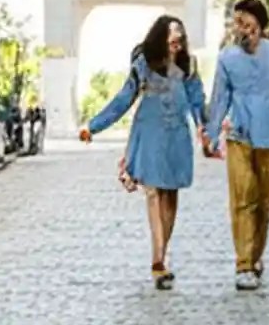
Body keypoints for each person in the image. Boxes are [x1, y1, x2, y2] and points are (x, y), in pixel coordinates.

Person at [79, 16, 206, 290]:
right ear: (160, 38)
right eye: (172, 38)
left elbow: (198, 103)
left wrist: (207, 131)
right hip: (149, 134)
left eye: (180, 39)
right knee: (153, 193)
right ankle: (157, 261)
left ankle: (163, 254)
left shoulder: (188, 68)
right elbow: (122, 100)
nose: (176, 43)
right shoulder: (143, 67)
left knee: (171, 195)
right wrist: (93, 126)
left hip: (176, 136)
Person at [206, 0, 269, 291]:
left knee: (263, 201)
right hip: (239, 133)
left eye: (246, 21)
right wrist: (212, 134)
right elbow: (220, 97)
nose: (241, 28)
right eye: (237, 22)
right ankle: (243, 263)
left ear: (259, 24)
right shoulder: (227, 58)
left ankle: (255, 254)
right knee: (242, 197)